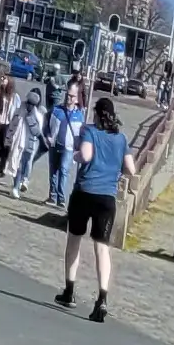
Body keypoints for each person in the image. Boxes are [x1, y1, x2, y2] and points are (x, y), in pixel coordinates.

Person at [54, 97, 130, 321]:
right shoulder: (121, 138)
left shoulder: (89, 131)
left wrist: (76, 155)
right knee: (101, 247)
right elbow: (131, 168)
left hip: (85, 192)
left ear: (96, 114)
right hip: (107, 197)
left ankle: (69, 290)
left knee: (74, 240)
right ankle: (102, 298)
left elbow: (86, 155)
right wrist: (114, 172)